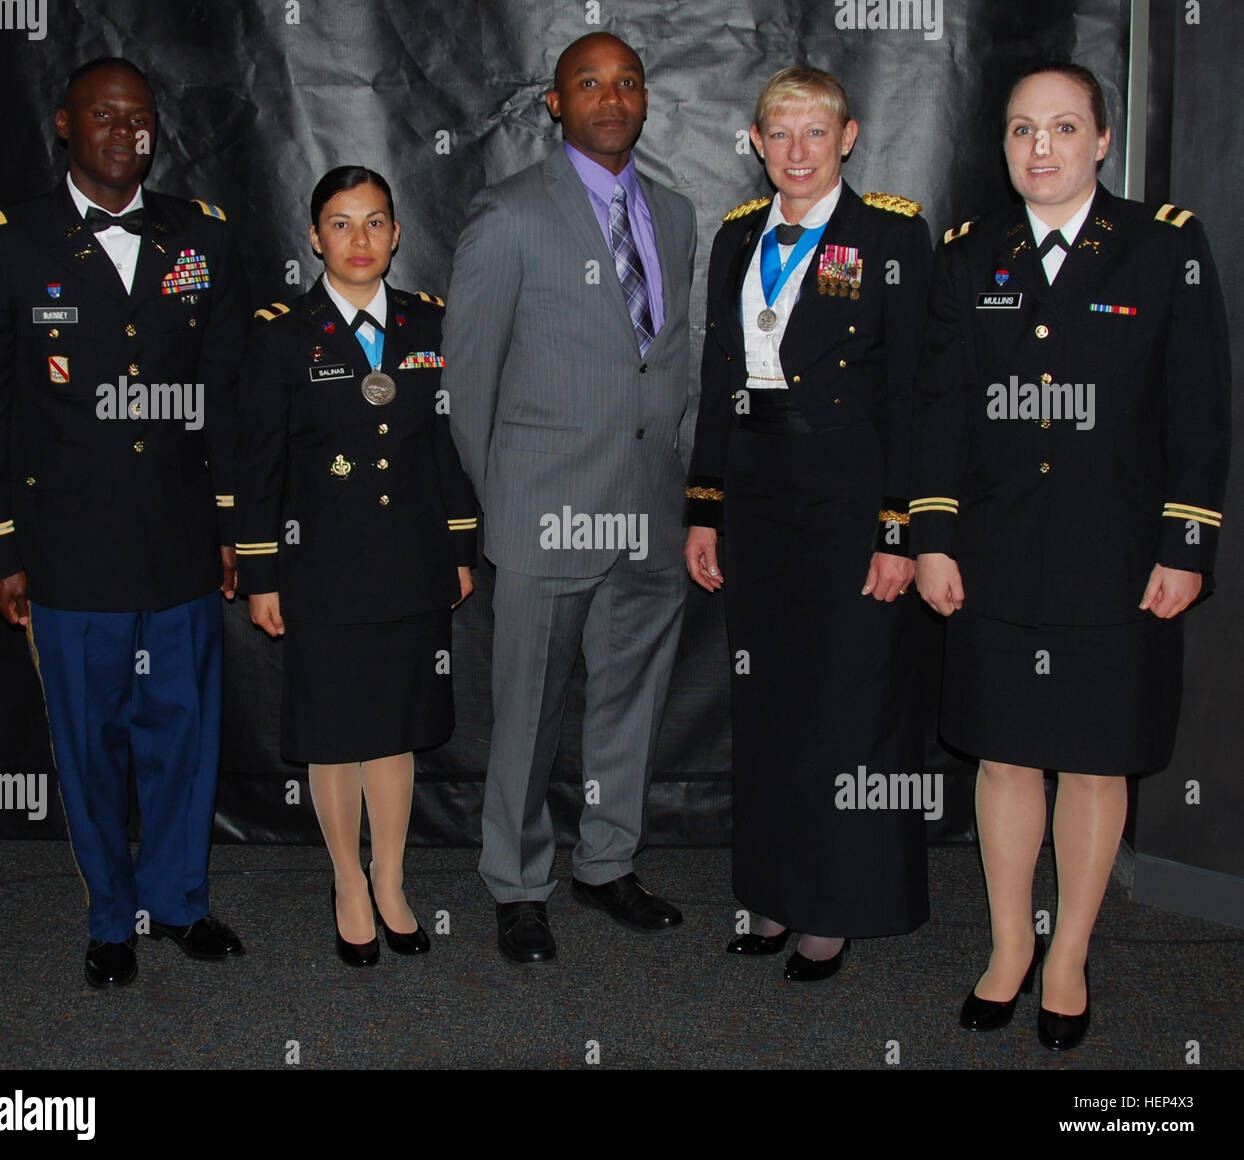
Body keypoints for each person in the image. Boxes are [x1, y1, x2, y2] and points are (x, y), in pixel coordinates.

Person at [912, 63, 1229, 1049]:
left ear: (1100, 140)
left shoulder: (1160, 247)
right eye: (1019, 129)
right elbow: (938, 411)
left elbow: (1199, 407)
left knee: (1094, 760)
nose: (1037, 147)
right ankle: (1008, 947)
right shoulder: (969, 255)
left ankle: (1067, 956)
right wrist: (929, 532)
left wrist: (1186, 543)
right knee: (1005, 755)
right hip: (998, 554)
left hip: (1115, 556)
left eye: (1060, 128)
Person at [0, 58, 246, 987]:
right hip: (66, 553)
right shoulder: (7, 246)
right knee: (90, 743)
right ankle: (112, 918)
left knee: (183, 738)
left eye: (143, 117)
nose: (127, 132)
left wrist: (235, 526)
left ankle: (181, 903)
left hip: (179, 543)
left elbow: (225, 395)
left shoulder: (199, 235)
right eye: (105, 116)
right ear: (65, 127)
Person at [443, 32, 697, 964]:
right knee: (528, 712)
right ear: (554, 102)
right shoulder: (508, 215)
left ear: (644, 98)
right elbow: (467, 391)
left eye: (627, 81)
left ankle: (607, 863)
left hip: (648, 513)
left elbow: (668, 367)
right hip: (545, 514)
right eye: (587, 82)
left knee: (628, 703)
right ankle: (516, 884)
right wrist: (508, 501)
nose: (610, 96)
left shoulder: (674, 215)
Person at [684, 67, 931, 981]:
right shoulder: (737, 237)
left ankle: (836, 906)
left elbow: (914, 395)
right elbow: (717, 382)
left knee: (848, 706)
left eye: (814, 135)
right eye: (778, 135)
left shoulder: (893, 235)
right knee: (770, 707)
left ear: (849, 138)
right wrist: (703, 508)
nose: (796, 153)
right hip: (756, 499)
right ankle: (774, 892)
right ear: (755, 141)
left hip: (850, 501)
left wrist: (897, 527)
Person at [237, 166, 476, 966]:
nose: (360, 239)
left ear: (398, 233)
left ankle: (392, 879)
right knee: (336, 732)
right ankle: (346, 882)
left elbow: (449, 447)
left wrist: (458, 545)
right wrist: (263, 572)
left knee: (396, 728)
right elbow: (258, 461)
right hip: (321, 567)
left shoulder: (430, 325)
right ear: (314, 238)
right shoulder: (279, 334)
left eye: (376, 222)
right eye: (341, 224)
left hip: (410, 561)